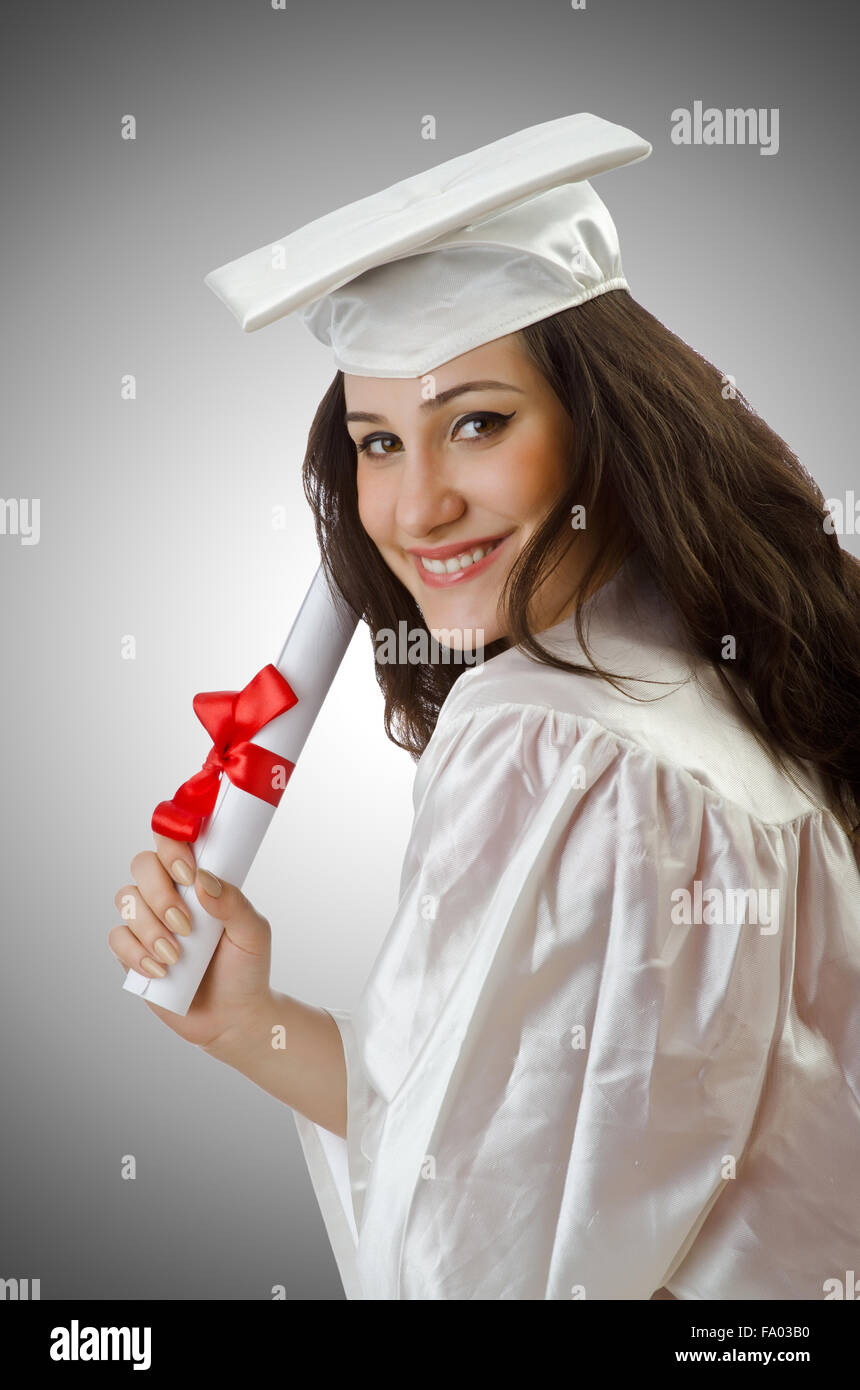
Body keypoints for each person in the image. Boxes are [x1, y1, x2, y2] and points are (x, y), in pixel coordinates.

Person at [109, 113, 860, 1300]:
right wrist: (242, 1019)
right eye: (376, 442)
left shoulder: (552, 739)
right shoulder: (749, 679)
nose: (415, 509)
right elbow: (518, 1150)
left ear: (600, 424)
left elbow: (470, 1259)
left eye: (475, 422)